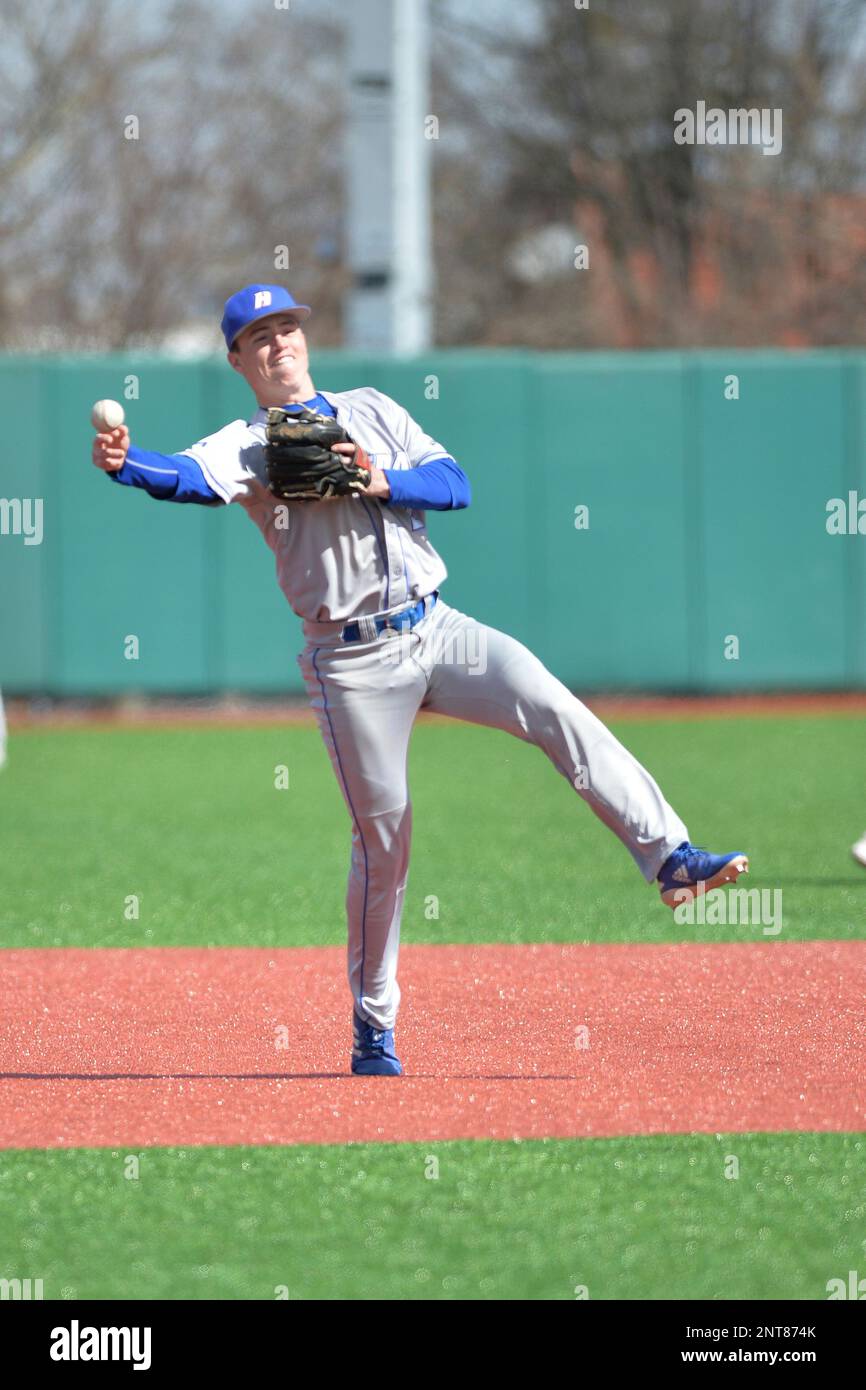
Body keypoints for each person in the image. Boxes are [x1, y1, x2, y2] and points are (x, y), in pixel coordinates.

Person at [93, 283, 748, 1076]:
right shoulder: (245, 446)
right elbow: (183, 479)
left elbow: (456, 482)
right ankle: (374, 1026)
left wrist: (380, 481)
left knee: (550, 701)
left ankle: (670, 856)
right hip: (351, 659)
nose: (278, 344)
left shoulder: (371, 408)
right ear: (238, 359)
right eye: (258, 336)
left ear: (305, 337)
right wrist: (127, 465)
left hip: (436, 626)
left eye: (286, 328)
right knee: (384, 843)